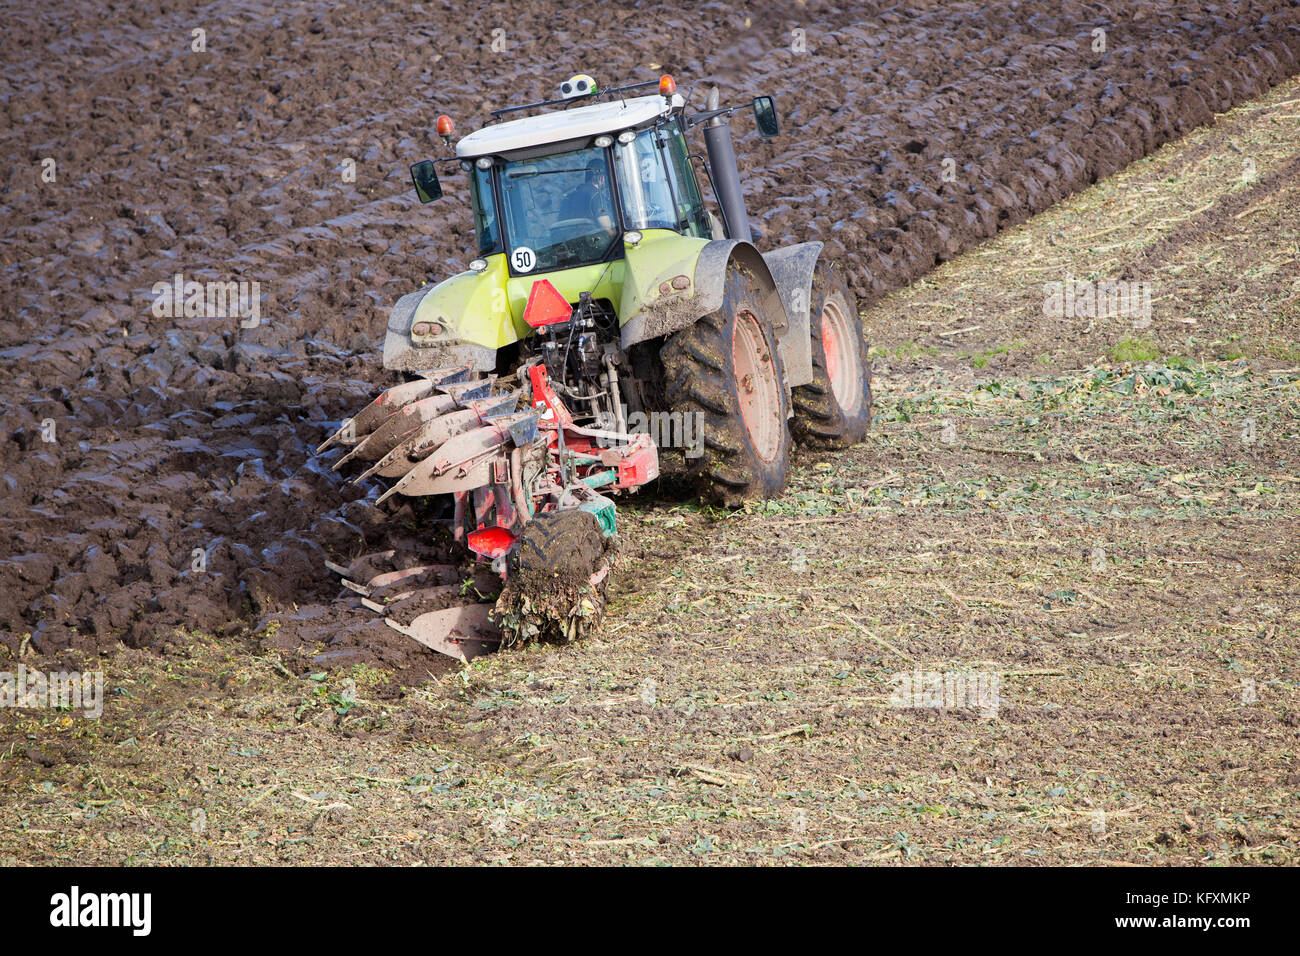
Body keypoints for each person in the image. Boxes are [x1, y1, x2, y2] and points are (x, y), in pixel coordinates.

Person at [560, 159, 612, 226]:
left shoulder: (571, 196)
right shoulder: (596, 196)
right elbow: (608, 228)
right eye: (606, 176)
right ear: (601, 177)